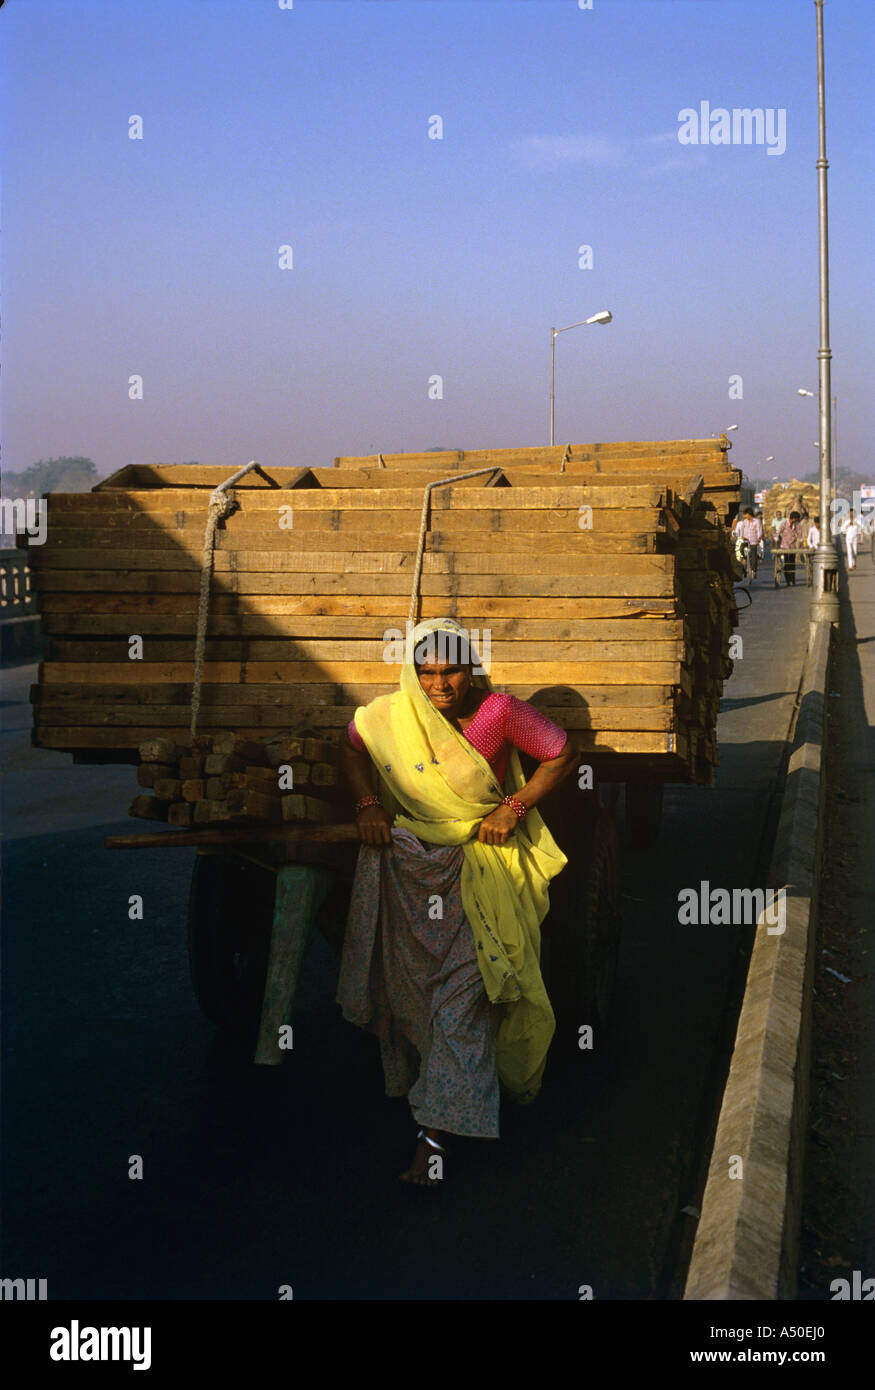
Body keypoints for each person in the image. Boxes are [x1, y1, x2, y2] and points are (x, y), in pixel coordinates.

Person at [337, 617, 577, 1187]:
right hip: (412, 877)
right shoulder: (386, 717)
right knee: (415, 993)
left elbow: (562, 753)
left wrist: (512, 810)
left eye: (452, 671)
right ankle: (435, 1095)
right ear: (411, 672)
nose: (441, 685)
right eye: (428, 672)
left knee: (463, 1000)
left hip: (482, 874)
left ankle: (434, 1142)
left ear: (471, 670)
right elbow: (349, 747)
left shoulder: (498, 713)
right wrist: (368, 802)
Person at [735, 507, 763, 578]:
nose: (744, 516)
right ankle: (744, 558)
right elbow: (743, 530)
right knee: (741, 549)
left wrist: (759, 538)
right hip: (746, 540)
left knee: (753, 557)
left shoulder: (757, 521)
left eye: (745, 514)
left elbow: (759, 530)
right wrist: (742, 536)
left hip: (753, 541)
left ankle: (754, 571)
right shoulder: (745, 521)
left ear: (749, 514)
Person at [778, 510, 804, 585]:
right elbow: (778, 533)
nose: (796, 521)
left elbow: (799, 535)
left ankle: (793, 580)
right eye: (796, 519)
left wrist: (801, 543)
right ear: (793, 518)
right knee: (786, 563)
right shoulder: (784, 524)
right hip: (784, 546)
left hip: (793, 546)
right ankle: (787, 581)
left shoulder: (797, 525)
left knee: (792, 563)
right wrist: (777, 542)